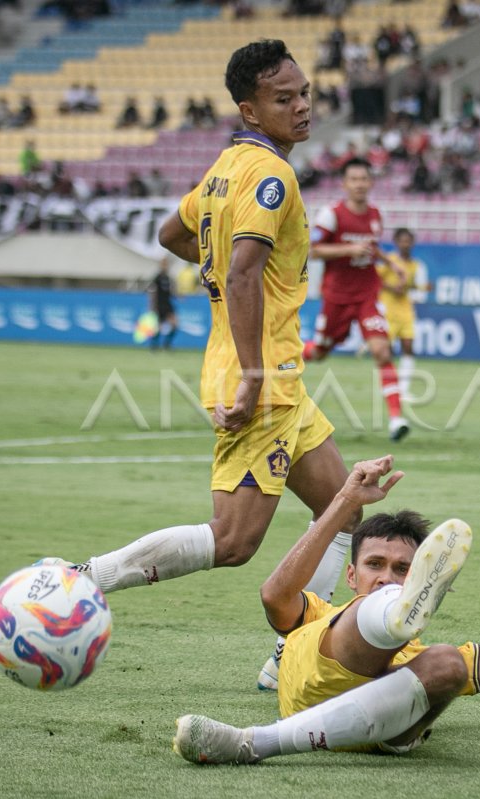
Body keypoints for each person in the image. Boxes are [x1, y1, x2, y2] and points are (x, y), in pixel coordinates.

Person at [44, 39, 357, 696]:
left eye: (304, 94)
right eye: (284, 98)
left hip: (280, 379)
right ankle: (84, 576)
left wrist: (214, 271)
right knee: (234, 539)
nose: (302, 107)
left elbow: (173, 234)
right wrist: (249, 370)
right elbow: (242, 272)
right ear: (250, 108)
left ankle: (292, 650)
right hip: (259, 379)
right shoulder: (272, 177)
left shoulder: (223, 169)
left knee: (343, 511)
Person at [172, 455, 480, 763]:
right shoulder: (316, 612)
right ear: (351, 576)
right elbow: (274, 595)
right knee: (366, 621)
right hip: (322, 681)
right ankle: (387, 619)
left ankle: (267, 739)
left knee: (447, 664)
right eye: (374, 565)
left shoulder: (418, 657)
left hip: (383, 730)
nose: (385, 575)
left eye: (401, 571)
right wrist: (347, 500)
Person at [302, 157, 410, 442]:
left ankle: (397, 419)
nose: (360, 184)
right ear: (344, 183)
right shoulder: (331, 214)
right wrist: (348, 249)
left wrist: (391, 262)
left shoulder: (375, 214)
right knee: (319, 352)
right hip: (336, 297)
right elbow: (312, 250)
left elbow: (371, 248)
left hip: (366, 296)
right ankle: (278, 358)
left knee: (382, 351)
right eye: (354, 179)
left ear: (371, 182)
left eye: (364, 179)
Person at [376, 227, 430, 399]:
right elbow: (375, 280)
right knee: (387, 351)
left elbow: (415, 287)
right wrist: (392, 287)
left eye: (408, 241)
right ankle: (389, 388)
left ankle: (404, 390)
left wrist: (421, 288)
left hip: (406, 310)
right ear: (396, 242)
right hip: (388, 309)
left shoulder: (416, 265)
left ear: (412, 243)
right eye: (402, 240)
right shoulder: (389, 261)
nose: (405, 244)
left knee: (408, 347)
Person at [147, 256, 178, 350]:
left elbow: (171, 292)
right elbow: (153, 292)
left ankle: (167, 344)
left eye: (166, 264)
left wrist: (178, 296)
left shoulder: (168, 278)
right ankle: (154, 344)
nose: (165, 266)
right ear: (160, 265)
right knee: (158, 327)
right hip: (159, 305)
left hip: (168, 304)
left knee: (175, 324)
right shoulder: (157, 278)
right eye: (163, 264)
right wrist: (152, 305)